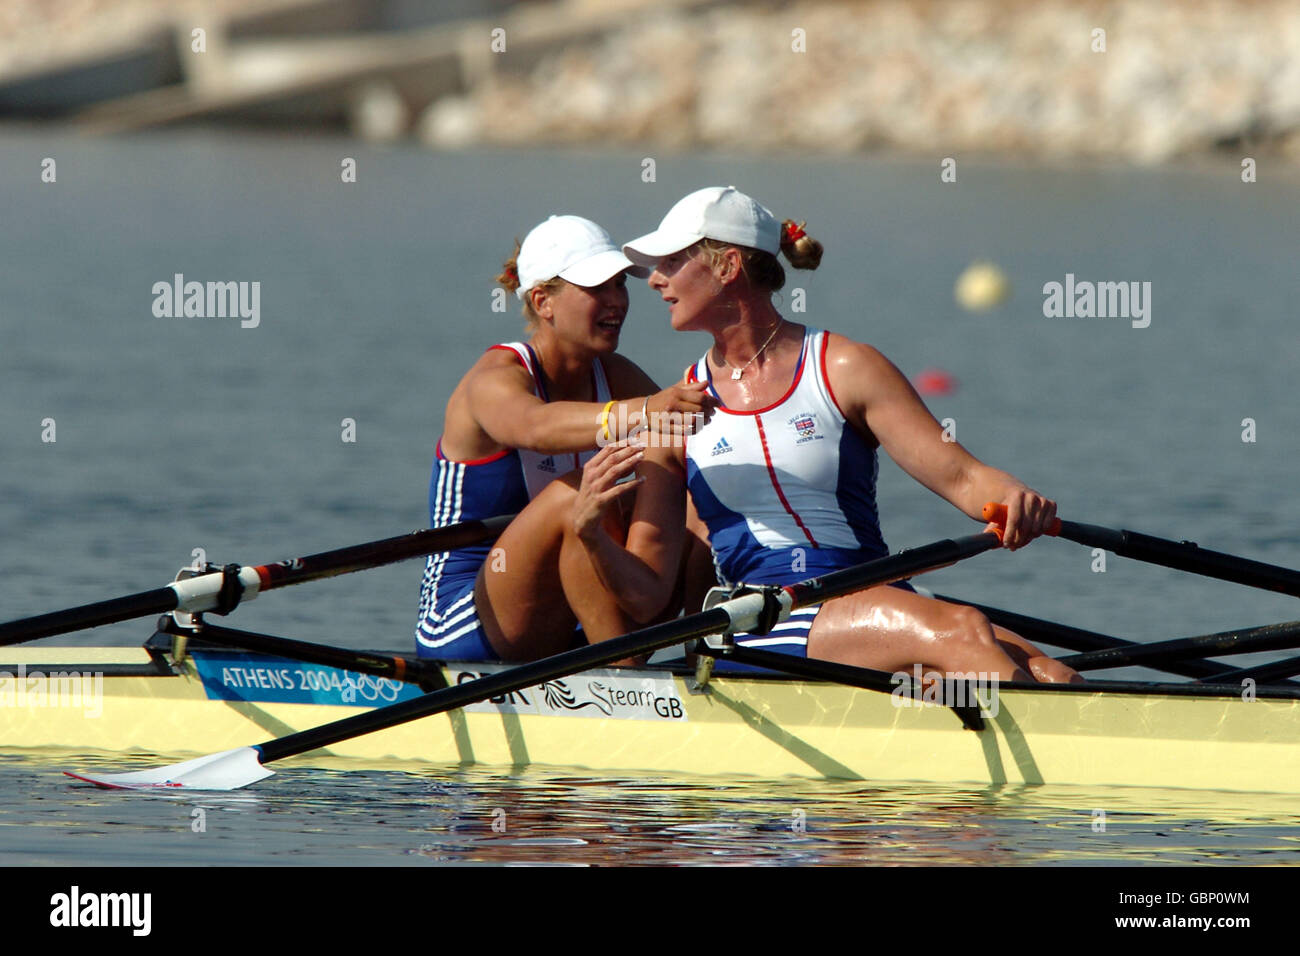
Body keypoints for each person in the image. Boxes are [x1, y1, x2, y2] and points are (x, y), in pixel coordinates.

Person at [622, 186, 1080, 683]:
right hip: (760, 618)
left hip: (871, 591)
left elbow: (964, 477)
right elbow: (646, 592)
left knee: (1051, 671)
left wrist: (1013, 496)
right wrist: (583, 528)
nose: (655, 280)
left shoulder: (845, 367)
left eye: (671, 261)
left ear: (728, 266)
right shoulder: (677, 409)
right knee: (963, 631)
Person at [414, 215, 711, 663]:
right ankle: (625, 679)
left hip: (572, 611)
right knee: (577, 500)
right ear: (543, 301)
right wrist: (648, 410)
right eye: (597, 289)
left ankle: (706, 664)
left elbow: (690, 448)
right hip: (468, 617)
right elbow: (537, 427)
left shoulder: (617, 376)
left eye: (620, 285)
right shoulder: (494, 379)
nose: (617, 302)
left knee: (698, 507)